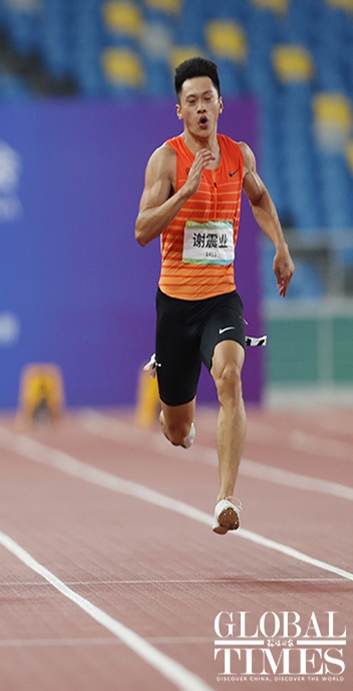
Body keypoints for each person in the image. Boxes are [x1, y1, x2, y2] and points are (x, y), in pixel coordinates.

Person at [135, 57, 294, 535]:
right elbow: (142, 230)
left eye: (208, 99)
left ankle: (227, 497)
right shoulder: (164, 160)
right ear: (178, 111)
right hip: (175, 305)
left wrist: (281, 247)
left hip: (221, 299)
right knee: (177, 430)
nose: (201, 108)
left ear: (221, 104)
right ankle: (176, 414)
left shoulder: (238, 155)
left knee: (230, 375)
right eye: (191, 102)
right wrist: (183, 191)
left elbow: (261, 199)